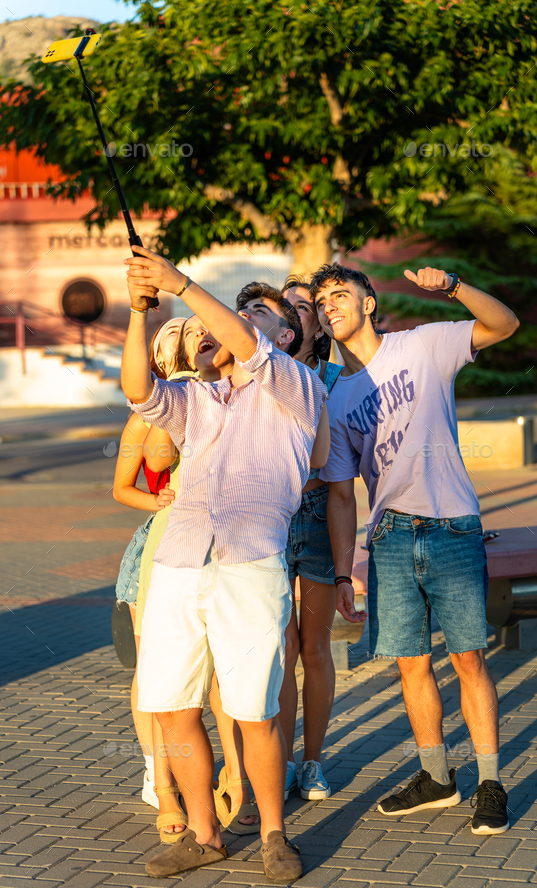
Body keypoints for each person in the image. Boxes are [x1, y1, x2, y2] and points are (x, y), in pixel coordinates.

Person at [121, 246, 327, 883]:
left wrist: (182, 282)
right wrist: (139, 311)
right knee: (174, 706)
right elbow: (137, 390)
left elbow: (245, 343)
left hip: (250, 566)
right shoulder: (195, 396)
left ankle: (272, 835)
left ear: (286, 334)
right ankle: (205, 836)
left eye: (257, 312)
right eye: (237, 310)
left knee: (254, 712)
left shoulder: (296, 386)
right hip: (180, 565)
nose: (238, 319)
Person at [312, 262, 519, 836]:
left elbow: (504, 324)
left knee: (468, 658)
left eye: (340, 294)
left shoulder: (425, 345)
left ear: (369, 302)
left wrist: (453, 286)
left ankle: (490, 783)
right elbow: (340, 495)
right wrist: (339, 570)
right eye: (321, 301)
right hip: (389, 539)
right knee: (410, 664)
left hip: (451, 526)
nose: (330, 306)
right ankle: (437, 777)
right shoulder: (336, 394)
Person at [141, 315, 260, 838]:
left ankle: (237, 777)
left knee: (229, 683)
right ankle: (165, 788)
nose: (199, 337)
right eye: (185, 336)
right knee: (160, 683)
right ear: (171, 358)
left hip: (235, 551)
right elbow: (148, 464)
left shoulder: (242, 394)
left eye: (201, 330)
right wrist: (175, 398)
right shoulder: (169, 400)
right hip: (170, 547)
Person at [249, 277, 341, 802]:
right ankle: (278, 762)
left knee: (316, 646)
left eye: (308, 307)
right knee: (280, 648)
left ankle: (313, 761)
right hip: (273, 516)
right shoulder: (256, 373)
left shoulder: (333, 375)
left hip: (320, 513)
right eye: (295, 305)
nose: (302, 313)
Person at [113, 317, 185, 834]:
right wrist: (157, 498)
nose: (191, 341)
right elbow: (123, 487)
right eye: (179, 338)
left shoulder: (222, 399)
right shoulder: (144, 418)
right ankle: (153, 766)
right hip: (153, 547)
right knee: (150, 668)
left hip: (208, 546)